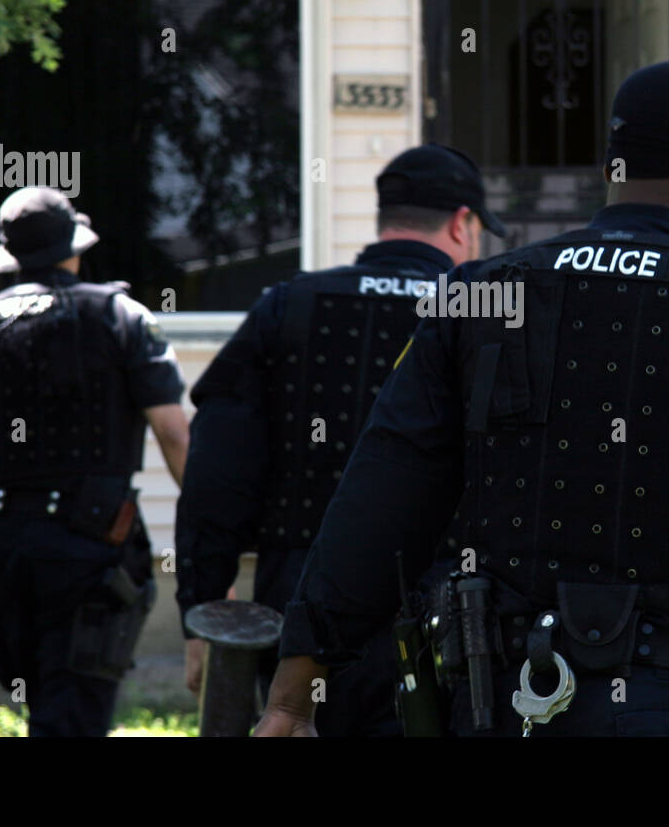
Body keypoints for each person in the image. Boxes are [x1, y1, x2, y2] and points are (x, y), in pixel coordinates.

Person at [254, 60, 669, 738]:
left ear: (612, 166)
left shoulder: (480, 298)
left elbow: (378, 499)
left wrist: (292, 695)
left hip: (503, 704)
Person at [174, 143, 505, 736]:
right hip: (445, 606)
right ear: (462, 222)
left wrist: (201, 613)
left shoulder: (286, 306)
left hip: (293, 604)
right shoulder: (483, 316)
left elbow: (215, 476)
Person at [0, 186, 189, 737]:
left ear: (10, 257)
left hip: (4, 546)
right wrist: (211, 546)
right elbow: (175, 435)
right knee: (74, 714)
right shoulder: (120, 316)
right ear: (74, 248)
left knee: (46, 708)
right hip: (93, 549)